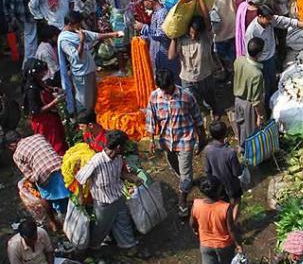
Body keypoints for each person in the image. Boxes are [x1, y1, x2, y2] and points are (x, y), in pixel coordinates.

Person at [146, 69, 205, 217]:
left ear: (173, 83)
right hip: (166, 142)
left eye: (167, 88)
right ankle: (185, 183)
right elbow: (151, 119)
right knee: (176, 167)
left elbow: (197, 117)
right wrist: (152, 139)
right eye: (163, 89)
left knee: (185, 173)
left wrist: (202, 137)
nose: (165, 92)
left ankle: (182, 201)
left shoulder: (186, 96)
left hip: (185, 140)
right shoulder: (154, 97)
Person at [75, 130, 140, 250]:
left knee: (123, 222)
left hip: (118, 196)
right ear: (119, 147)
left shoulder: (119, 158)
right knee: (101, 228)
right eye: (124, 146)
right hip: (103, 203)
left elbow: (119, 174)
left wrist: (133, 178)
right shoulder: (97, 161)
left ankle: (128, 245)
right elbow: (80, 178)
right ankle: (92, 247)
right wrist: (80, 196)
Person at [245, 5, 303, 107]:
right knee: (265, 88)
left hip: (271, 57)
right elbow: (250, 52)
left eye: (271, 19)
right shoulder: (252, 31)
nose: (270, 21)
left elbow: (289, 22)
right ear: (260, 16)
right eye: (268, 19)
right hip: (261, 62)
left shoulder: (270, 19)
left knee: (273, 84)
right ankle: (268, 109)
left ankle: (273, 103)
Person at [168, 0, 224, 118]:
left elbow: (206, 19)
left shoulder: (206, 37)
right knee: (190, 102)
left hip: (205, 76)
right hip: (187, 79)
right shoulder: (181, 39)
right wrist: (174, 37)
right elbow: (171, 56)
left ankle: (215, 112)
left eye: (196, 33)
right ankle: (196, 118)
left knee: (210, 98)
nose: (193, 36)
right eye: (192, 32)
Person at [58, 11, 123, 114]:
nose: (80, 27)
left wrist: (114, 34)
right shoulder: (64, 40)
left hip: (90, 70)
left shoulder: (76, 32)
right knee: (84, 101)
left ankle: (91, 118)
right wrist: (82, 41)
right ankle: (83, 121)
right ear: (70, 24)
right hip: (82, 74)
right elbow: (76, 57)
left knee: (93, 97)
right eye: (78, 24)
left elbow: (95, 36)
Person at [6, 132, 71, 227]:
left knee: (43, 196)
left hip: (45, 174)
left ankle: (54, 222)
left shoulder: (16, 155)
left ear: (12, 145)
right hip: (62, 166)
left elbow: (29, 176)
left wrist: (32, 185)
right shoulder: (38, 136)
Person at [191, 175, 243, 264]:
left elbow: (192, 224)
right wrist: (238, 244)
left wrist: (197, 233)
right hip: (223, 245)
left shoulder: (196, 204)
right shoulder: (225, 208)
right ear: (219, 190)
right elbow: (231, 229)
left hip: (205, 245)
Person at [135, 0, 181, 80]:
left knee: (169, 81)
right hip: (158, 55)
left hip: (165, 55)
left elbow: (162, 35)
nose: (143, 5)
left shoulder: (162, 14)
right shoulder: (155, 13)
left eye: (144, 2)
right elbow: (153, 33)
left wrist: (143, 27)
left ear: (150, 1)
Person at [23, 59, 67, 155]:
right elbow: (36, 111)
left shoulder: (37, 82)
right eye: (41, 72)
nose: (43, 74)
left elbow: (44, 87)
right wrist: (55, 101)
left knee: (61, 139)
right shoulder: (31, 90)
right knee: (54, 145)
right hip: (44, 123)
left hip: (51, 118)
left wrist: (53, 89)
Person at [203, 122, 244, 223]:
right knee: (237, 200)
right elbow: (237, 173)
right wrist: (243, 165)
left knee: (224, 206)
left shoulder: (207, 150)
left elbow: (207, 170)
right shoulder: (230, 152)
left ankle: (226, 223)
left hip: (217, 186)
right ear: (225, 133)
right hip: (231, 184)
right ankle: (232, 224)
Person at [233, 37, 267, 145]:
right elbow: (256, 101)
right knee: (251, 131)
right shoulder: (257, 74)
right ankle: (251, 154)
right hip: (249, 104)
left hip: (238, 100)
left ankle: (242, 147)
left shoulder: (239, 60)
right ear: (259, 54)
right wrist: (260, 116)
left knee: (241, 126)